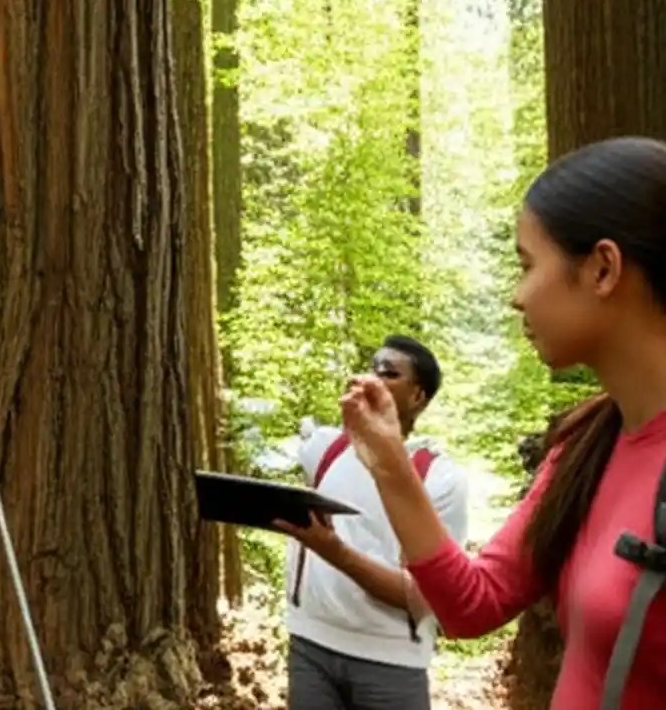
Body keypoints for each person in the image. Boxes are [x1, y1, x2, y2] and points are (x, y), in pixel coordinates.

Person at [340, 136, 666, 710]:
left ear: (602, 268)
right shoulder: (587, 443)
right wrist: (389, 461)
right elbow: (473, 603)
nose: (517, 298)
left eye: (527, 265)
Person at [275, 335, 469, 710]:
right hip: (310, 646)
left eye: (389, 373)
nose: (370, 380)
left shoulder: (441, 479)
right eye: (371, 368)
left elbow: (426, 596)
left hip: (391, 661)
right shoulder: (324, 450)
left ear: (418, 397)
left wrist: (336, 553)